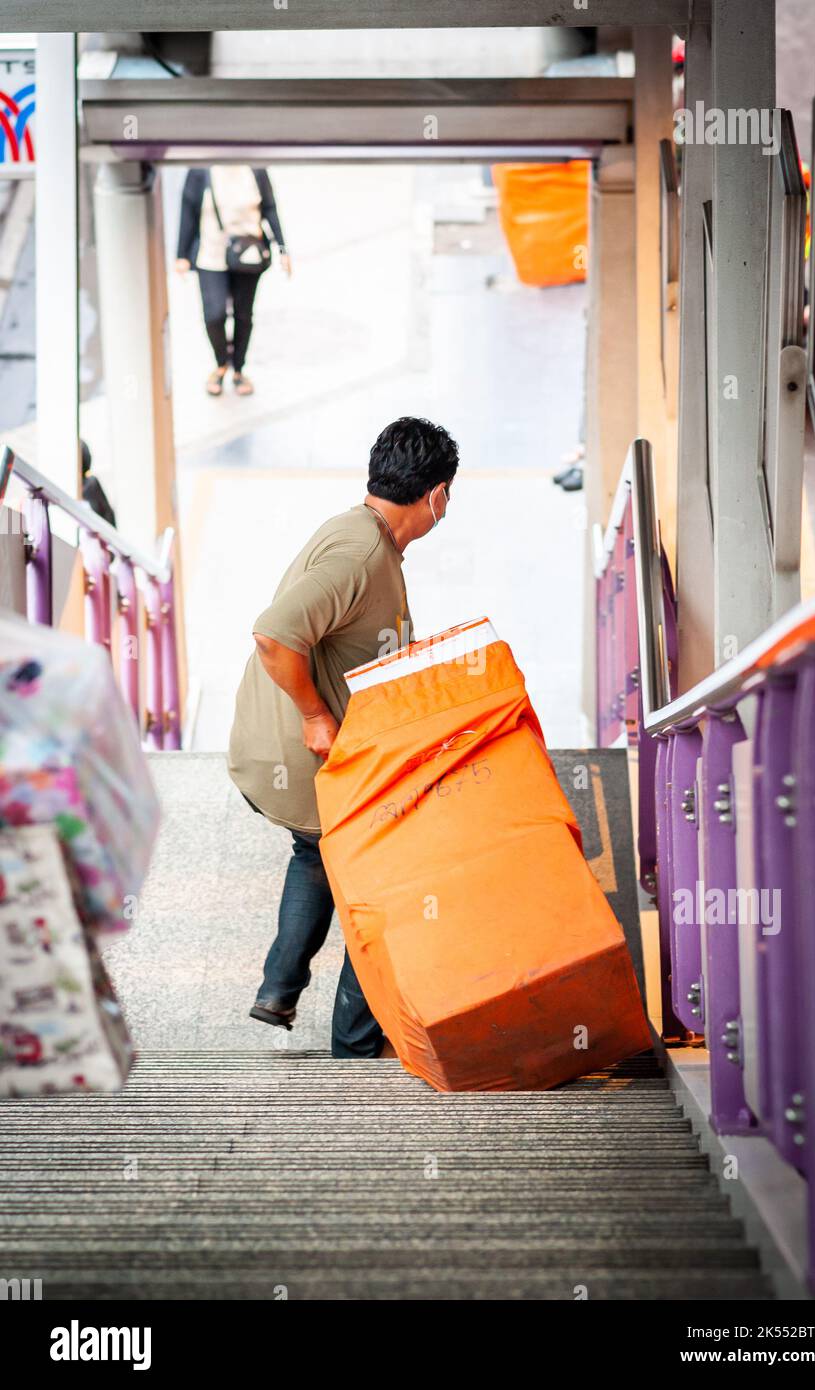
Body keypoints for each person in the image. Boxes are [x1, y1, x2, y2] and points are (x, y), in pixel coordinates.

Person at [228, 417, 459, 1058]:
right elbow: (274, 634)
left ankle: (278, 990)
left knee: (316, 853)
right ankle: (357, 1041)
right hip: (304, 756)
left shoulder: (361, 532)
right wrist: (314, 714)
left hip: (283, 753)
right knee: (387, 873)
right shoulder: (363, 554)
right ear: (437, 495)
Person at [175, 166, 291, 397]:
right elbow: (188, 210)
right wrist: (181, 254)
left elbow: (269, 207)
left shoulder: (255, 169)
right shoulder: (200, 170)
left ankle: (238, 369)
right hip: (210, 254)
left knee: (243, 315)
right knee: (214, 315)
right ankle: (221, 363)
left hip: (248, 253)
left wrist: (282, 248)